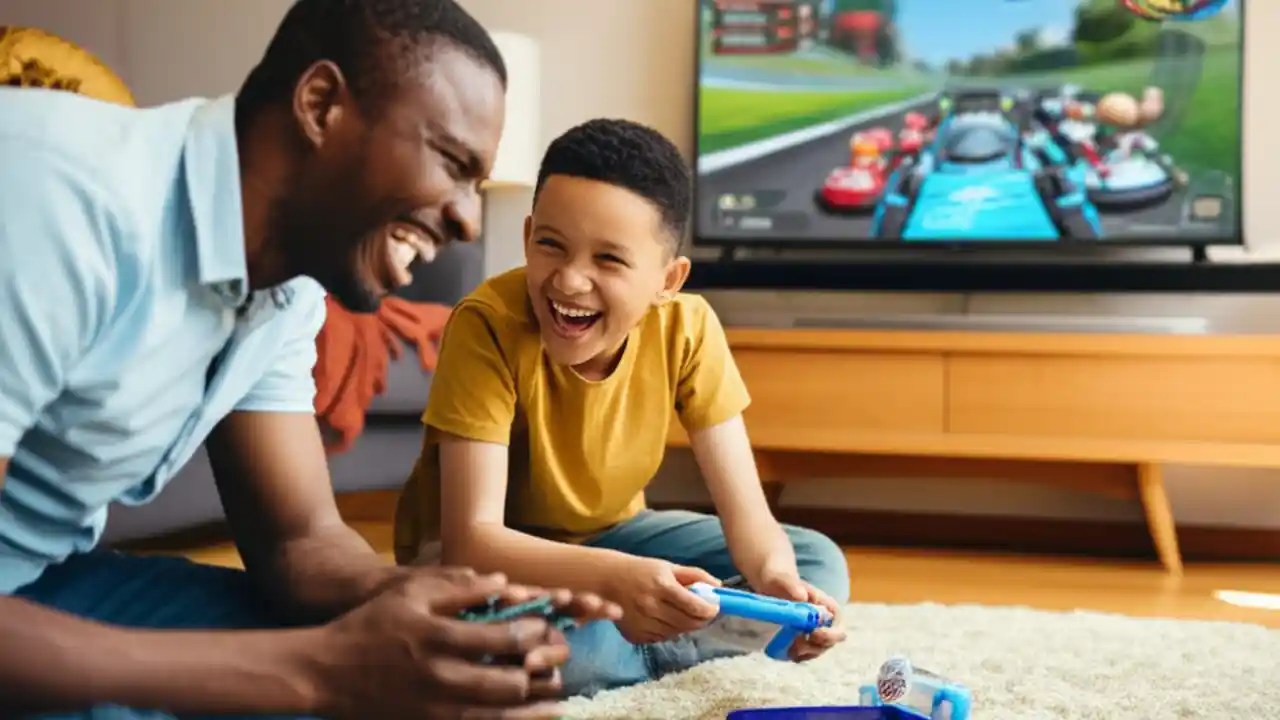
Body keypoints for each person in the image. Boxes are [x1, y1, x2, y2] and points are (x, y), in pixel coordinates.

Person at [0, 1, 619, 718]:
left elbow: (299, 541)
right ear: (320, 105)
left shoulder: (285, 286)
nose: (468, 220)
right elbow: (313, 665)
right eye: (453, 164)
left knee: (436, 681)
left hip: (38, 584)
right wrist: (318, 673)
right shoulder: (57, 195)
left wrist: (436, 606)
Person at [393, 118, 851, 697]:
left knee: (817, 562)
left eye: (609, 260)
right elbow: (472, 539)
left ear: (668, 279)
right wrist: (620, 580)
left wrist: (780, 586)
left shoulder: (689, 327)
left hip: (616, 535)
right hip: (490, 560)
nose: (569, 279)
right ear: (528, 233)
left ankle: (636, 645)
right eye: (550, 244)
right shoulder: (487, 325)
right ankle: (685, 648)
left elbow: (750, 520)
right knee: (541, 641)